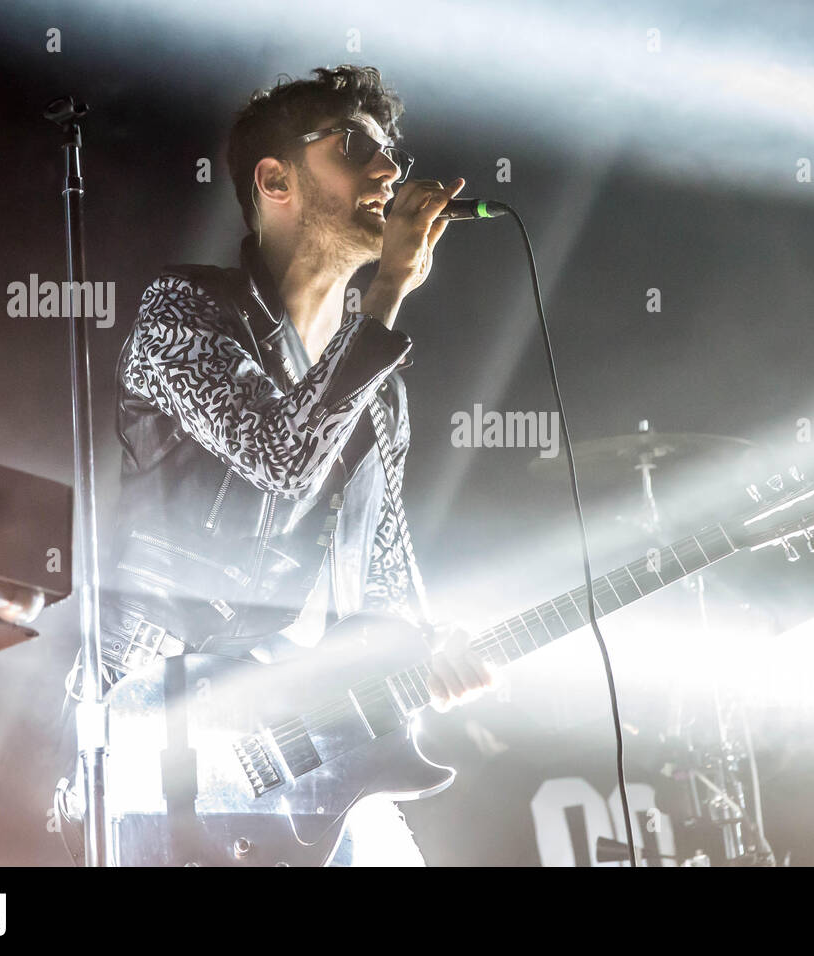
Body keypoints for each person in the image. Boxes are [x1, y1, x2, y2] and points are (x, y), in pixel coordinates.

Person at [55, 64, 493, 866]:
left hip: (309, 763)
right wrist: (387, 292)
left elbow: (387, 579)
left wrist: (433, 642)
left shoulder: (380, 394)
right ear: (274, 178)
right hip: (162, 745)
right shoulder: (183, 313)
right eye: (356, 146)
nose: (390, 171)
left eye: (391, 153)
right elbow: (276, 453)